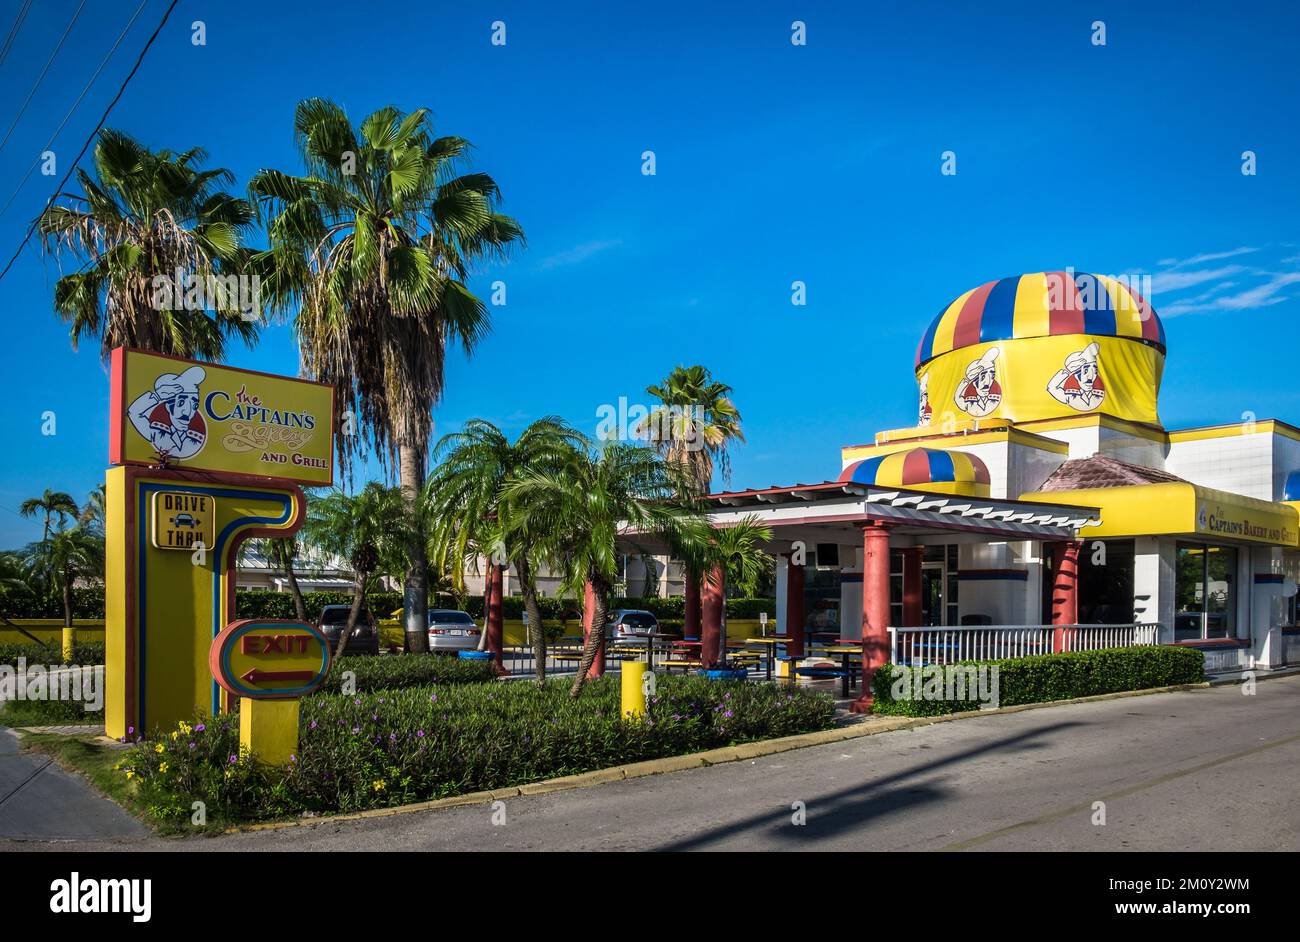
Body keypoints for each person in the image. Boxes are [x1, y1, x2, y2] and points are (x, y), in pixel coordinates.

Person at [127, 366, 208, 460]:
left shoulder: (198, 439)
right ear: (168, 406)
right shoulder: (156, 432)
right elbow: (133, 412)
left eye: (194, 406)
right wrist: (157, 395)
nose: (188, 412)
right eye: (181, 403)